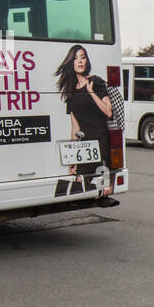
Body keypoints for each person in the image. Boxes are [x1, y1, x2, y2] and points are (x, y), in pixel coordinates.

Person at [54, 44, 117, 205]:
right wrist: (72, 160)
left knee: (102, 188)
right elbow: (75, 128)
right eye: (76, 58)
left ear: (87, 61)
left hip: (101, 141)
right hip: (86, 146)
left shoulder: (96, 83)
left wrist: (91, 93)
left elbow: (108, 111)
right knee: (85, 187)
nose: (80, 61)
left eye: (83, 57)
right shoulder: (70, 93)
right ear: (71, 63)